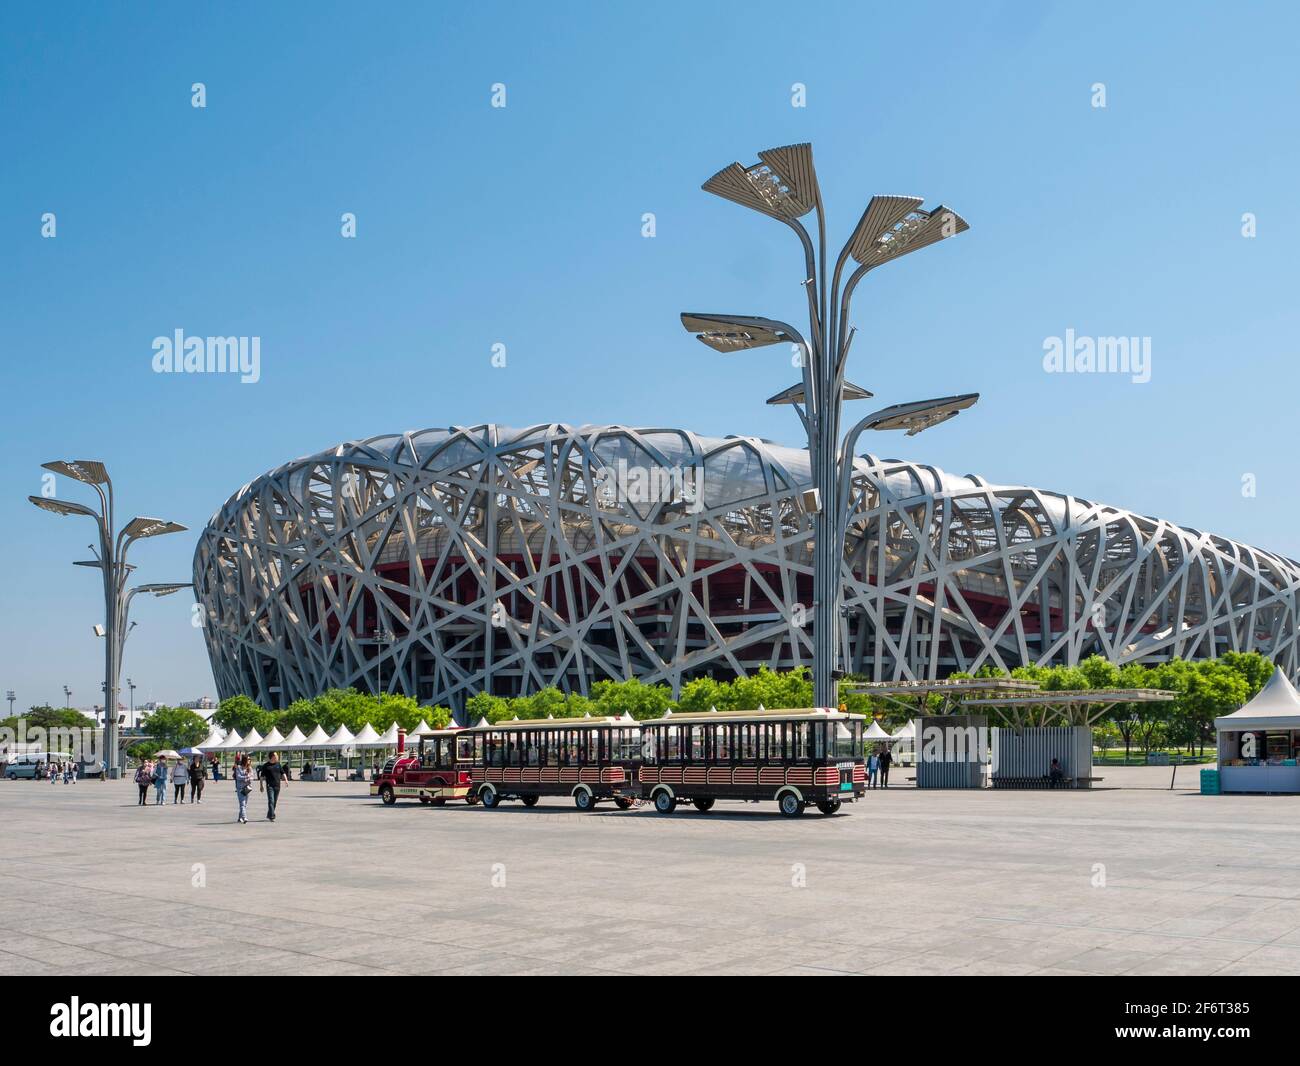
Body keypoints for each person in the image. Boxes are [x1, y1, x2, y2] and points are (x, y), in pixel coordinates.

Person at [258, 752, 288, 822]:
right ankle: (272, 816)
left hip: (277, 786)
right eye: (276, 755)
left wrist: (286, 780)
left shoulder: (278, 764)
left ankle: (269, 814)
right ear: (272, 757)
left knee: (274, 802)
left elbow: (283, 773)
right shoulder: (266, 766)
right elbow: (261, 777)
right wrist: (261, 786)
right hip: (269, 786)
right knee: (271, 800)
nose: (277, 757)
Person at [233, 753, 252, 824]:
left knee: (244, 804)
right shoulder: (238, 767)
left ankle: (239, 817)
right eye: (248, 759)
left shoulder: (249, 768)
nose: (249, 761)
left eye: (250, 759)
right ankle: (244, 817)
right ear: (245, 760)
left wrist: (249, 778)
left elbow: (252, 777)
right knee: (242, 803)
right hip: (240, 788)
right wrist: (246, 777)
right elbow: (238, 777)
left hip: (247, 788)